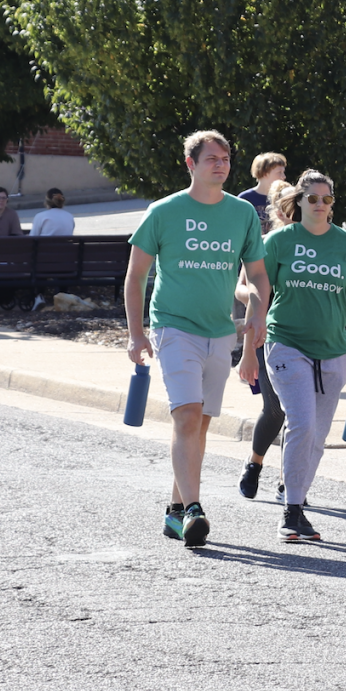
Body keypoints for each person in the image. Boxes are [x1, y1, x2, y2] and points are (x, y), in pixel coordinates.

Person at [126, 130, 269, 549]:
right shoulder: (164, 211)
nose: (221, 164)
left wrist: (257, 311)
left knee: (201, 425)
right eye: (212, 158)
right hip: (173, 326)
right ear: (191, 164)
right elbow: (136, 277)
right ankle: (194, 510)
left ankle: (174, 512)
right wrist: (136, 333)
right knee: (186, 415)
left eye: (225, 158)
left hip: (220, 331)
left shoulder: (242, 214)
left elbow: (257, 274)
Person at [262, 170, 346, 542]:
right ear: (300, 201)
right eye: (313, 199)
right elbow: (259, 293)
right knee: (302, 424)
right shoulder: (279, 241)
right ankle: (292, 512)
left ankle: (293, 493)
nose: (321, 205)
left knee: (318, 436)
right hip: (286, 342)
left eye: (327, 199)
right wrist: (248, 345)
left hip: (333, 351)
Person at [237, 180, 295, 500]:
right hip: (266, 334)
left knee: (298, 411)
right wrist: (262, 292)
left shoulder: (311, 246)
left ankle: (289, 481)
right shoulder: (265, 244)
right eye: (288, 208)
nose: (294, 214)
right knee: (276, 409)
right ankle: (255, 464)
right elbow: (241, 289)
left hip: (303, 337)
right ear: (276, 212)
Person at [238, 152, 287, 227]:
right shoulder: (245, 198)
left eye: (283, 172)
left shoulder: (285, 197)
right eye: (279, 172)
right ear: (265, 173)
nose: (284, 176)